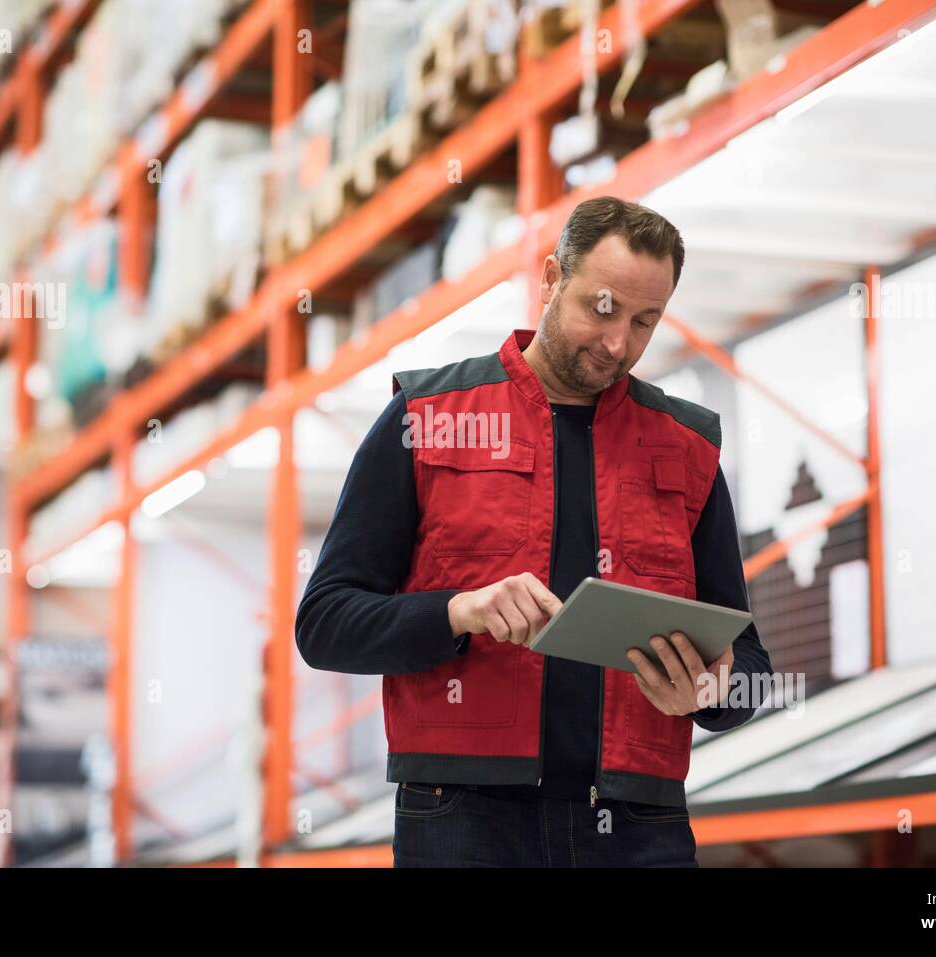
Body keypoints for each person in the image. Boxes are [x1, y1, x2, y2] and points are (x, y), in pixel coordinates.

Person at [296, 196, 772, 867]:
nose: (618, 343)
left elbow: (750, 663)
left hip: (640, 826)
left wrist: (713, 690)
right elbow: (324, 623)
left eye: (644, 321)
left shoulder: (687, 450)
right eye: (602, 308)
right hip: (464, 821)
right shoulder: (426, 421)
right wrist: (460, 611)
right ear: (550, 278)